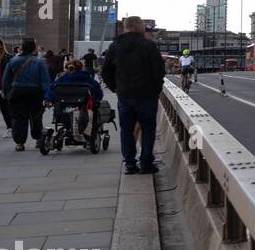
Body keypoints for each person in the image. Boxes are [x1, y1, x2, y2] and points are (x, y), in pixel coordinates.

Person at [101, 15, 167, 174]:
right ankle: (146, 163)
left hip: (124, 94)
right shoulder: (148, 46)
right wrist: (156, 89)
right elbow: (159, 71)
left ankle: (130, 163)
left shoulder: (115, 46)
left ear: (126, 28)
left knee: (126, 129)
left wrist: (116, 88)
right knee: (148, 128)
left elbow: (106, 71)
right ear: (138, 27)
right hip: (146, 94)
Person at [2, 39, 52, 151]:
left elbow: (6, 79)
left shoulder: (13, 61)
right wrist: (47, 96)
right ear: (34, 48)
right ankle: (38, 139)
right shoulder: (39, 62)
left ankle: (19, 143)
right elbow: (45, 80)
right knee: (36, 117)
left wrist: (7, 93)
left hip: (17, 91)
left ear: (22, 48)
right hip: (35, 92)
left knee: (18, 117)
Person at [46, 59, 104, 138]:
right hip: (84, 110)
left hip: (64, 110)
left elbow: (51, 91)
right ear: (81, 68)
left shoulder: (62, 79)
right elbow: (99, 94)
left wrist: (49, 100)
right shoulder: (88, 79)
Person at [0, 39, 13, 137]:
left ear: (1, 46)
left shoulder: (8, 58)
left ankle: (10, 127)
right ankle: (9, 127)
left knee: (6, 107)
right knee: (3, 108)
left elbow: (11, 73)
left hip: (5, 86)